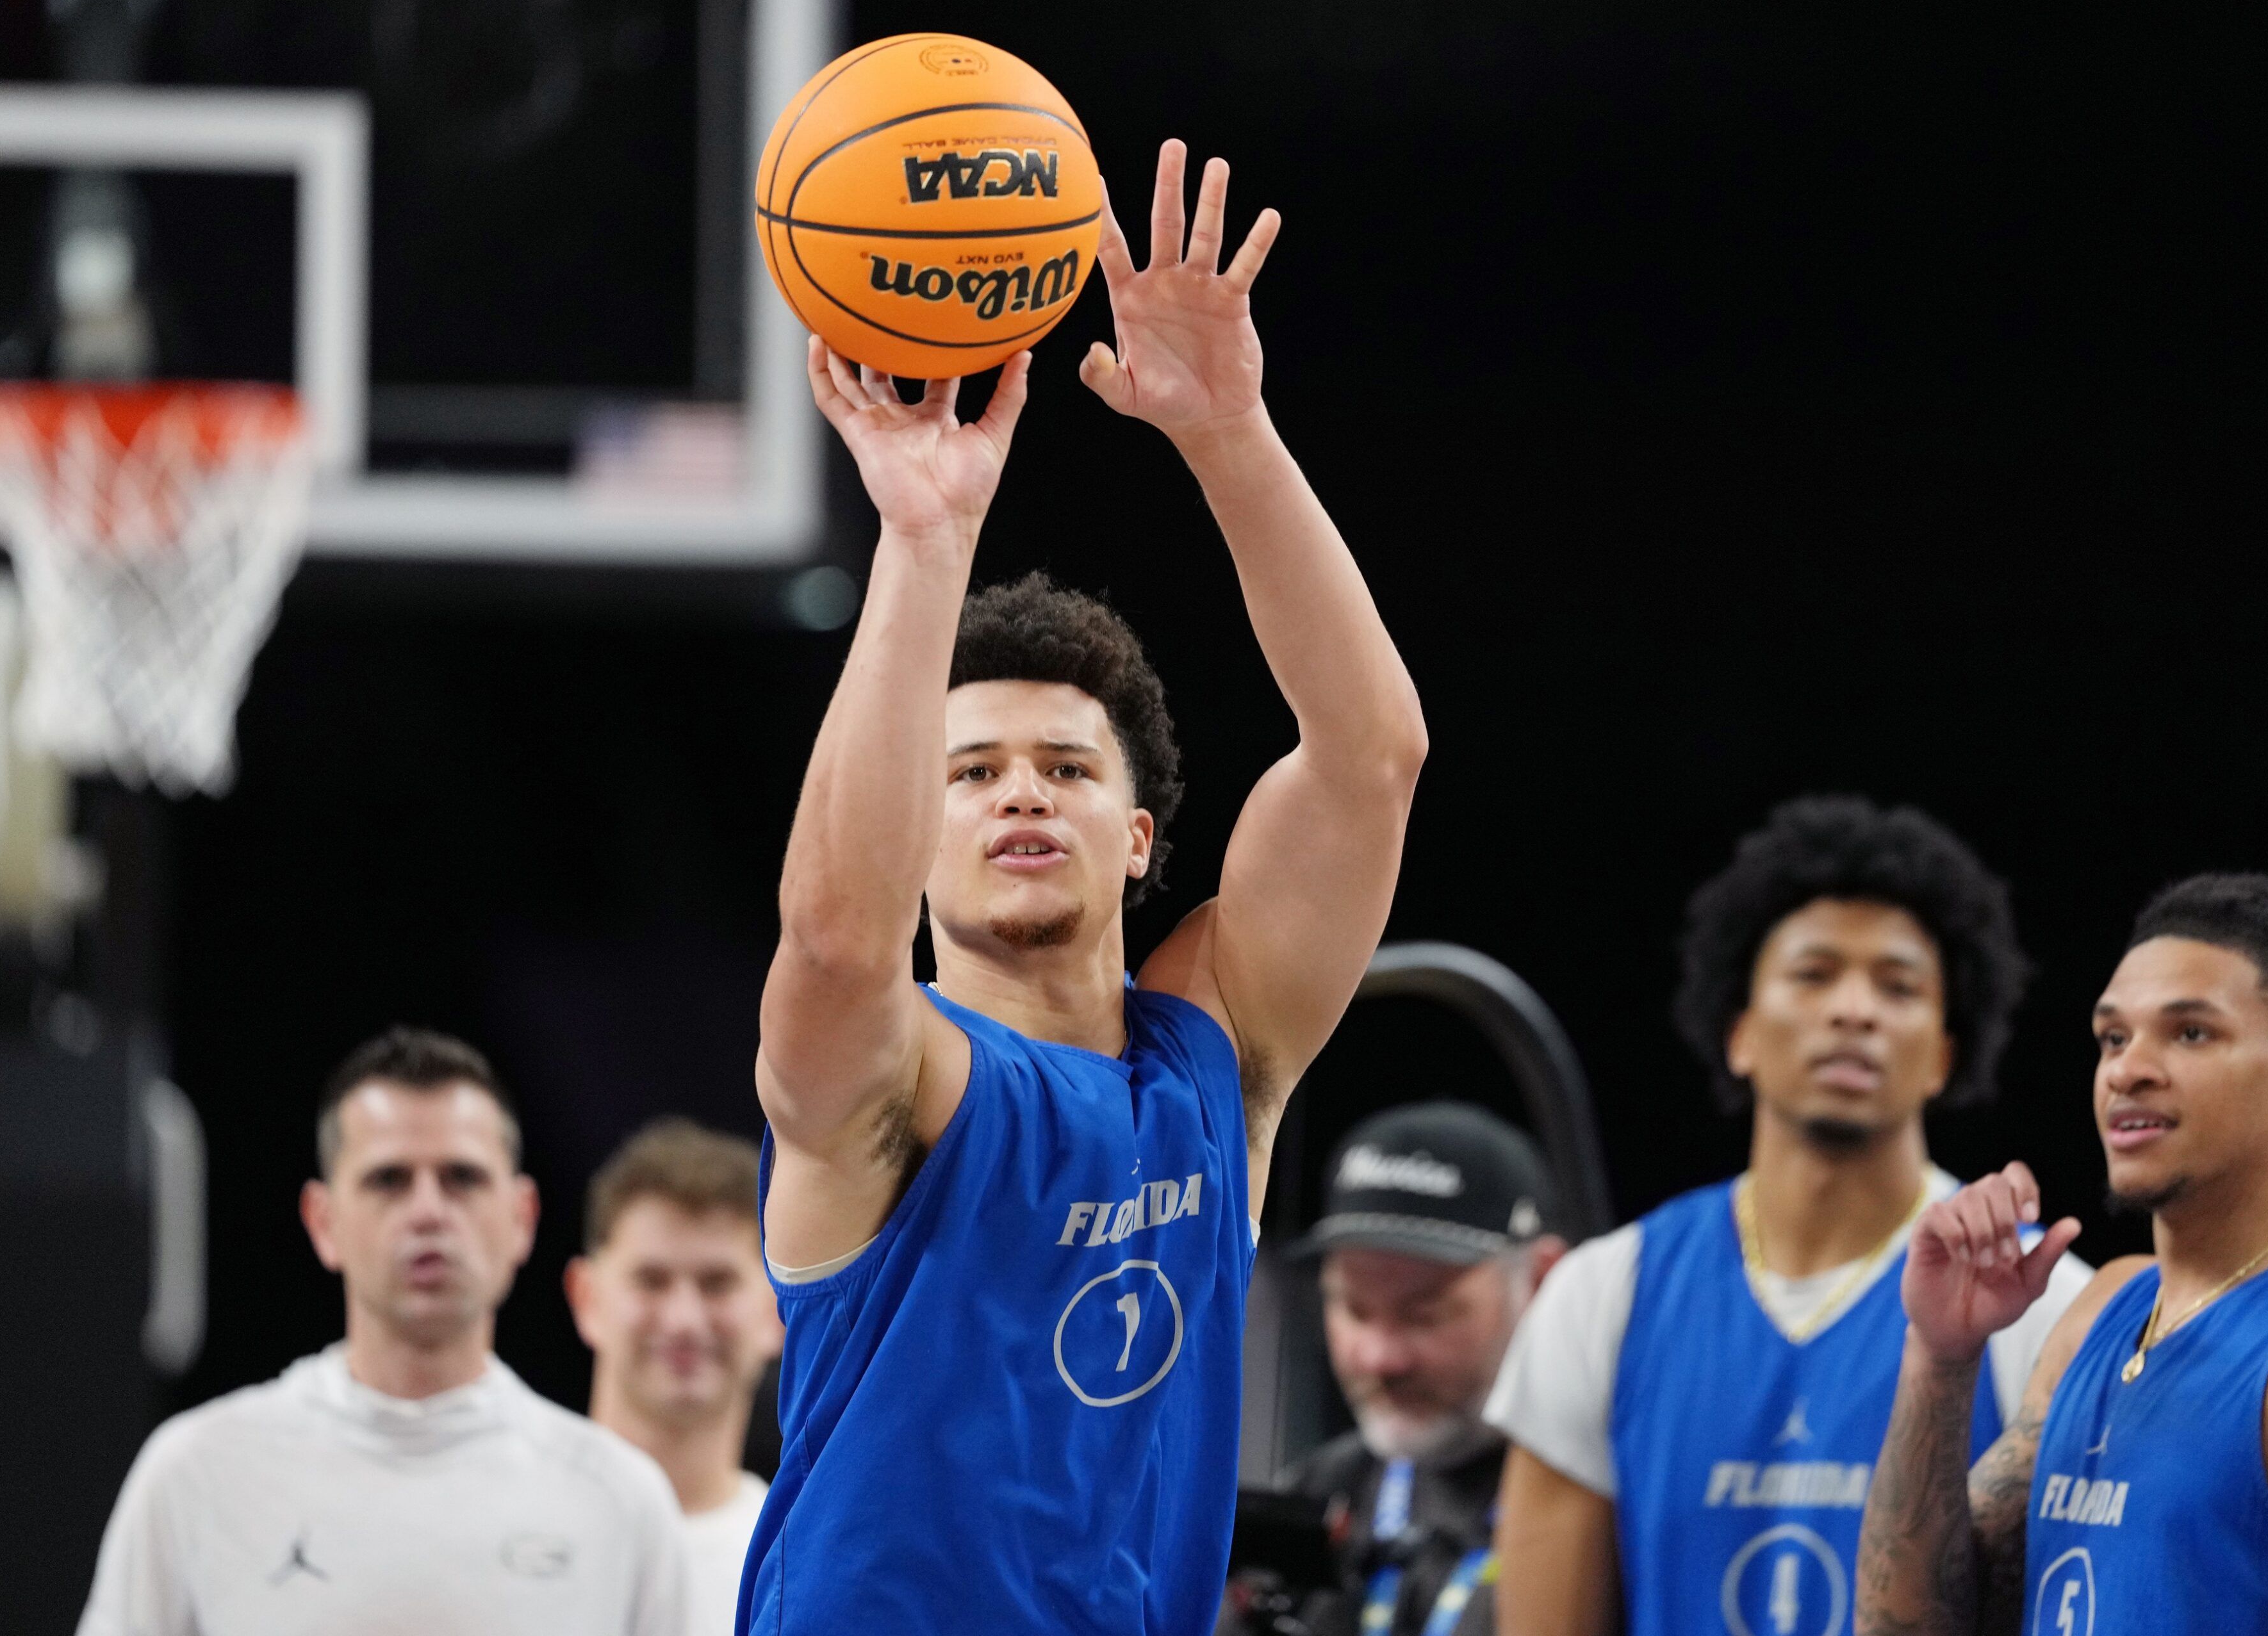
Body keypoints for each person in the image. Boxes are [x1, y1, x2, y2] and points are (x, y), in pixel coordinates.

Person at [744, 138, 1426, 1636]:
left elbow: (1370, 755)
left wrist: (1228, 432)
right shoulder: (889, 1080)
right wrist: (924, 540)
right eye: (968, 771)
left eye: (1062, 764)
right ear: (913, 829)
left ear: (1136, 833)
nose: (1019, 791)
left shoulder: (1216, 1055)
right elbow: (835, 936)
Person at [1485, 796, 2091, 1636]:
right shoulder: (1602, 1294)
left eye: (1898, 983)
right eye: (1813, 973)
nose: (1855, 1009)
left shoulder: (2046, 1300)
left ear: (1944, 1055)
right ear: (1740, 1031)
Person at [1855, 872, 2268, 1635]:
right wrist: (1941, 1357)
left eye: (2190, 1033)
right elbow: (1904, 1627)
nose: (2127, 1069)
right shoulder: (2105, 1306)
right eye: (2114, 1037)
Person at [78, 1026, 688, 1636]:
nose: (428, 1211)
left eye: (463, 1177)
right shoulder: (196, 1476)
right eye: (389, 1179)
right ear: (324, 1221)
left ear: (521, 1217)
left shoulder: (620, 1500)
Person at [1249, 1103, 1567, 1636]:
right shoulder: (1320, 1491)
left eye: (1425, 1314)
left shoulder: (1597, 1502)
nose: (1379, 1357)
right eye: (1354, 1308)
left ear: (1541, 1281)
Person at [566, 1118, 782, 1636]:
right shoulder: (502, 1519)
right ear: (587, 1298)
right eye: (652, 1280)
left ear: (777, 1311)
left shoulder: (801, 1571)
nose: (684, 1320)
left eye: (717, 1283)